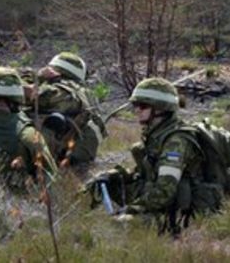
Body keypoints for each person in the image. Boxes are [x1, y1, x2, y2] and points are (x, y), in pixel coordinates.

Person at [85, 77, 214, 235]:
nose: (137, 110)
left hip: (175, 212)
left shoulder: (176, 141)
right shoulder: (156, 134)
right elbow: (145, 172)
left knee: (118, 229)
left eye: (143, 106)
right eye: (135, 105)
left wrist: (132, 209)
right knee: (96, 185)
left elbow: (165, 191)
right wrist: (114, 176)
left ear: (161, 109)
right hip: (156, 202)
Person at [27, 52, 106, 167]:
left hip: (48, 155)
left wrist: (37, 77)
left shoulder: (63, 90)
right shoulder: (86, 93)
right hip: (73, 153)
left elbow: (25, 95)